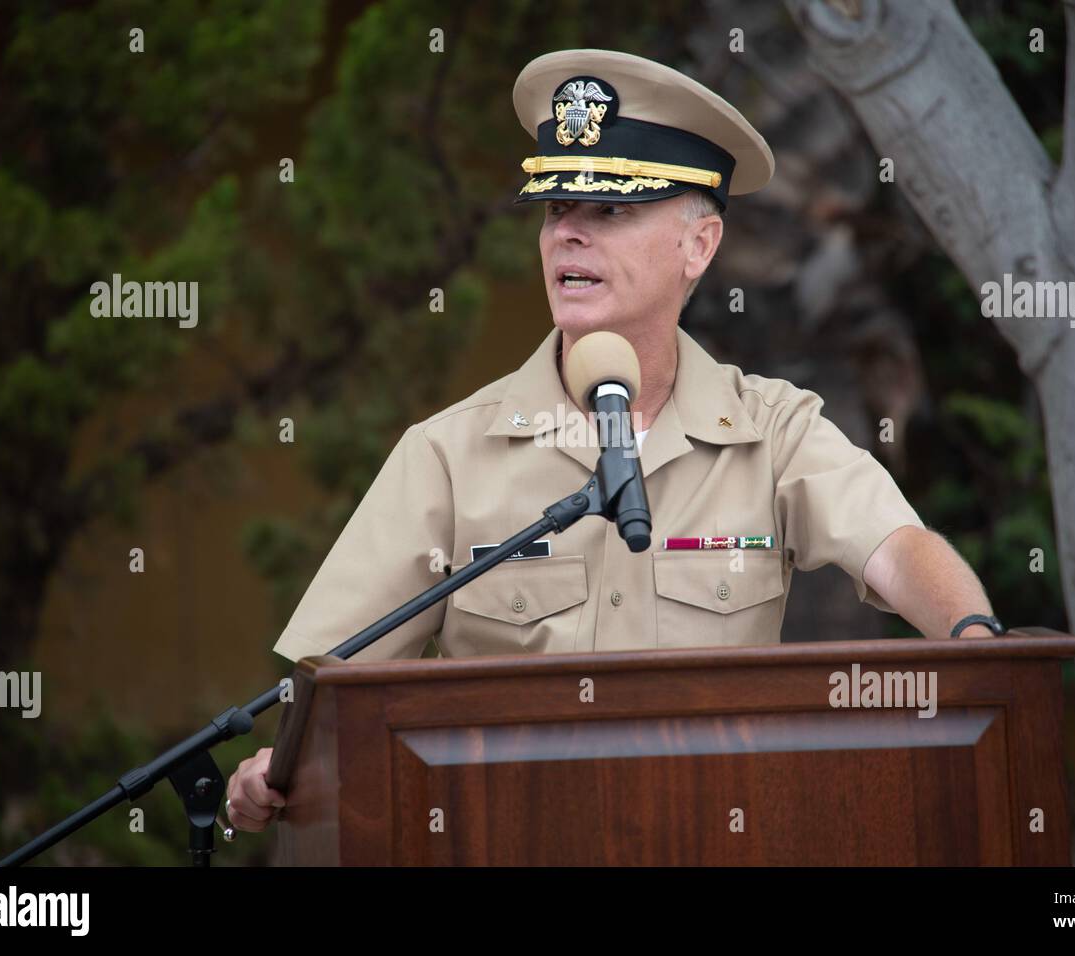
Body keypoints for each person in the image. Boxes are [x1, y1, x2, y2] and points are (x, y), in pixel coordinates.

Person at [225, 49, 1001, 833]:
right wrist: (279, 766)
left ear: (699, 246)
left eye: (611, 211)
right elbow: (337, 687)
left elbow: (899, 550)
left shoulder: (775, 429)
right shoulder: (447, 454)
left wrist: (980, 646)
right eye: (555, 207)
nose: (568, 234)